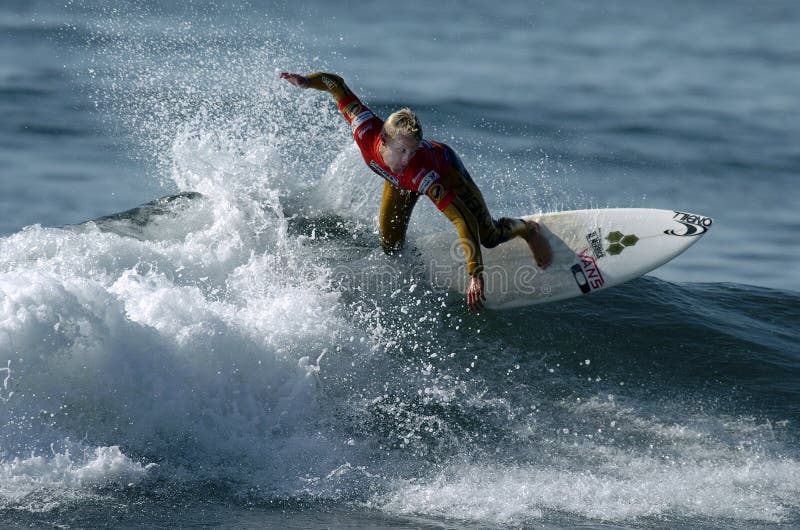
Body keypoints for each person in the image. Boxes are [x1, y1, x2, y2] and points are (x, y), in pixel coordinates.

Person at [280, 71, 552, 312]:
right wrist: (307, 82)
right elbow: (336, 84)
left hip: (448, 173)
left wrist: (476, 274)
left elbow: (462, 219)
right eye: (403, 150)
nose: (408, 157)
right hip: (400, 184)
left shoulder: (420, 171)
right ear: (383, 140)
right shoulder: (364, 129)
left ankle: (528, 229)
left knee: (489, 236)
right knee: (390, 245)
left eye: (413, 150)